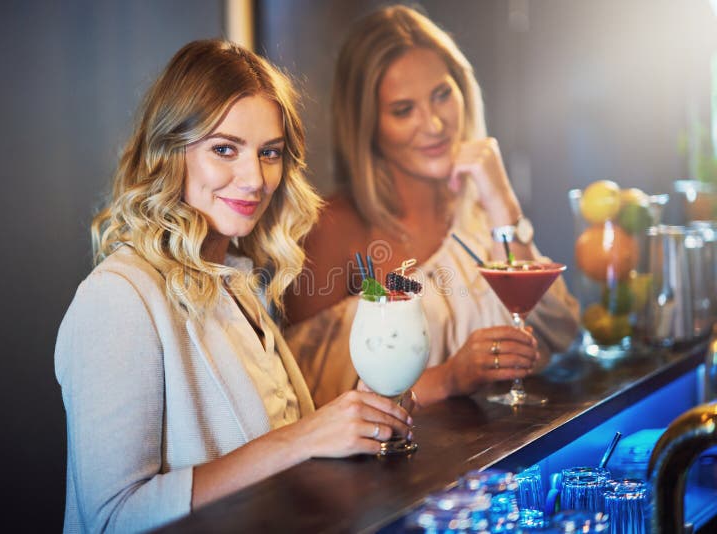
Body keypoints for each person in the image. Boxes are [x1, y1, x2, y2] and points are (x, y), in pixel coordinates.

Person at [54, 39, 413, 533]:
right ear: (169, 152)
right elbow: (113, 518)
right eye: (224, 149)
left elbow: (271, 463)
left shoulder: (240, 283)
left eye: (270, 153)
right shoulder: (117, 297)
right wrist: (305, 438)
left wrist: (353, 420)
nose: (255, 179)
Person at [284, 6, 580, 408]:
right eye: (404, 110)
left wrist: (501, 200)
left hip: (510, 451)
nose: (435, 125)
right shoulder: (332, 228)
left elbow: (556, 330)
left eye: (442, 95)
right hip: (399, 466)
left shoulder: (479, 208)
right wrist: (448, 378)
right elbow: (307, 399)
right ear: (368, 125)